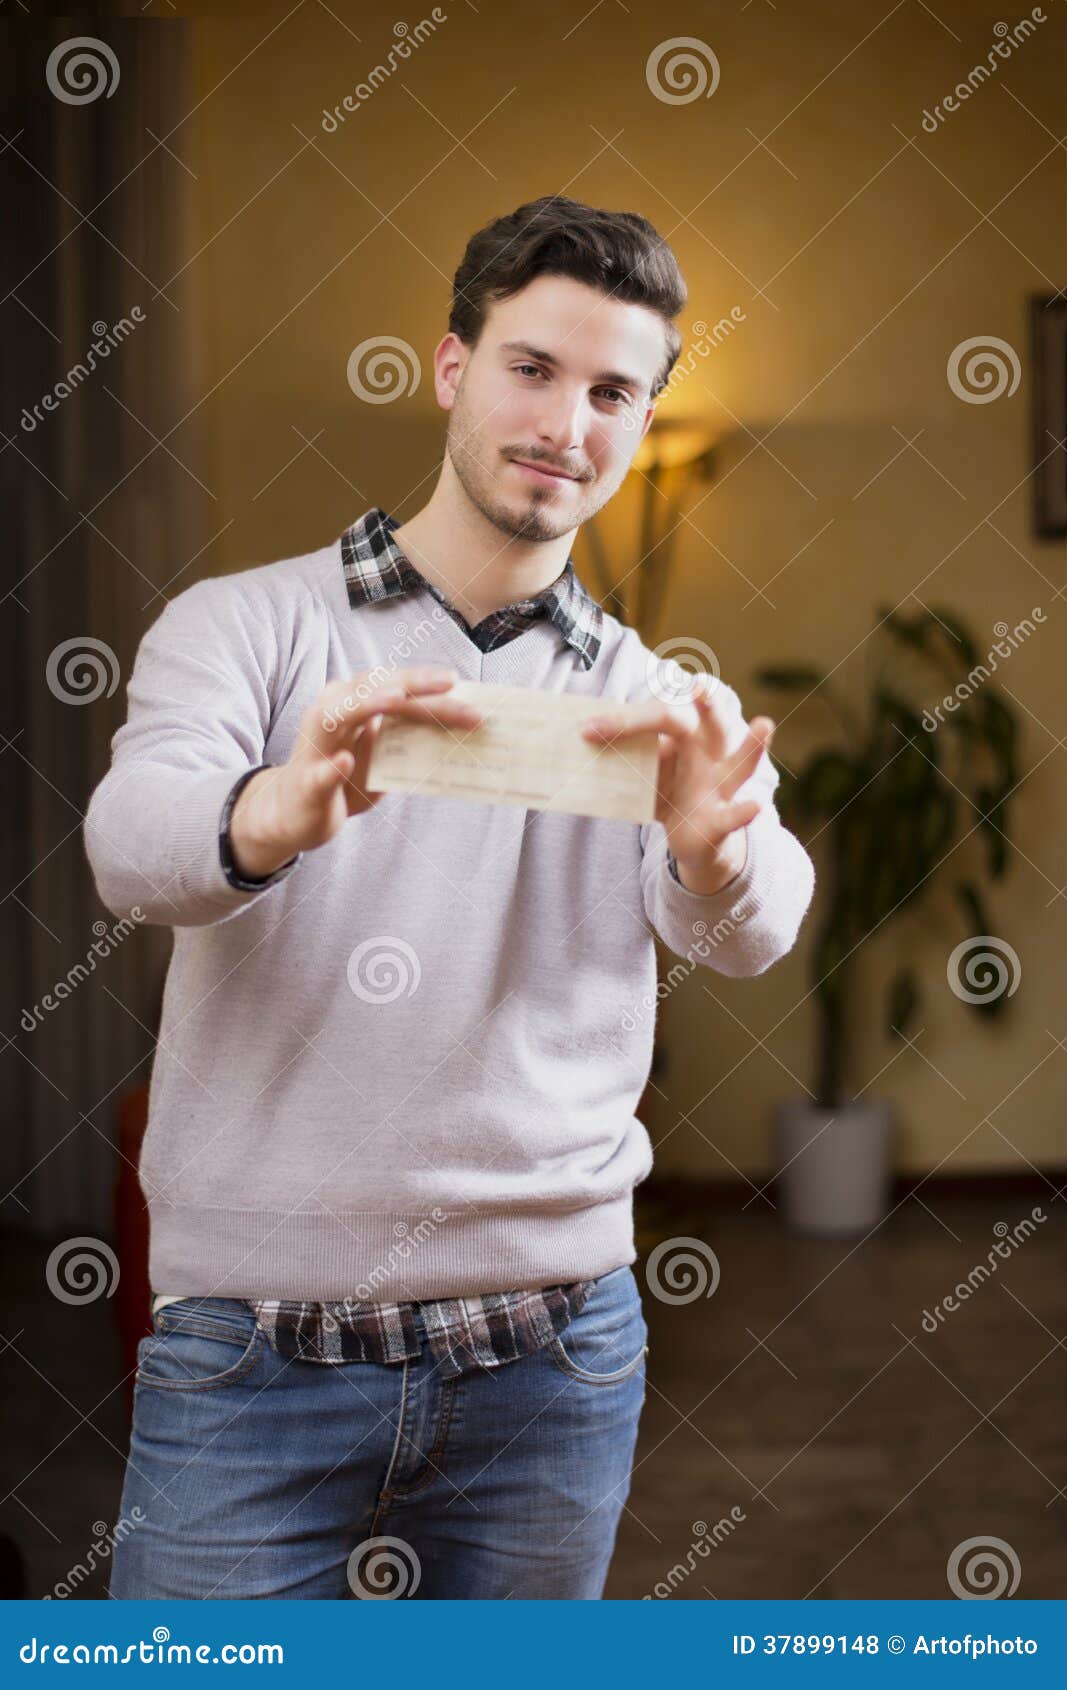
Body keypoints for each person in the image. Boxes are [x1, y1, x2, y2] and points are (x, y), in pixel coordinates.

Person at [85, 195, 816, 1600]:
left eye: (613, 390)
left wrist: (716, 852)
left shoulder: (648, 699)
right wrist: (272, 812)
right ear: (450, 368)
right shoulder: (246, 627)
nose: (567, 422)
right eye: (532, 368)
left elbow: (759, 916)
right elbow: (130, 844)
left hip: (554, 1359)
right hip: (249, 1349)